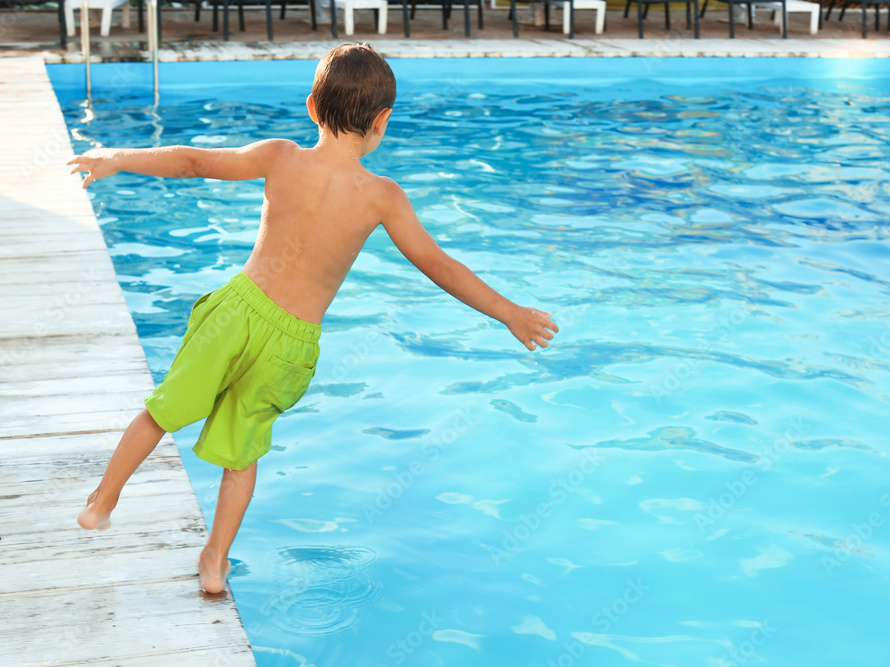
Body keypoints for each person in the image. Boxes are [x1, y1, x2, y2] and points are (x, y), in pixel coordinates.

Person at [69, 42, 558, 595]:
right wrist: (508, 313)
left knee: (162, 412)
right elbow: (439, 266)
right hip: (289, 345)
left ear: (310, 106)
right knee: (243, 452)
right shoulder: (383, 197)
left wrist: (115, 159)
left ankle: (104, 499)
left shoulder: (281, 157)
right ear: (382, 121)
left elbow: (195, 163)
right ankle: (214, 561)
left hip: (238, 314)